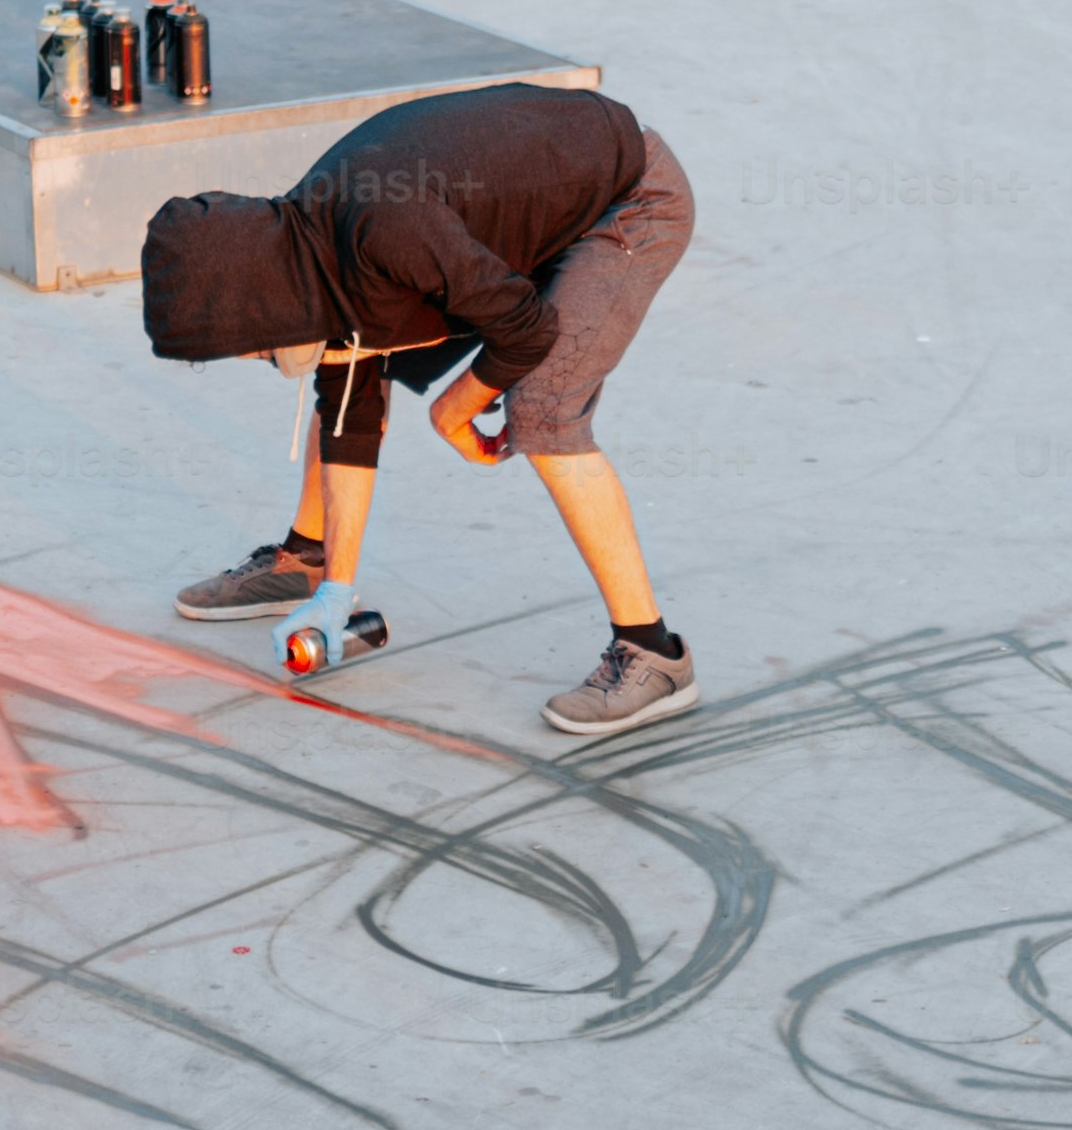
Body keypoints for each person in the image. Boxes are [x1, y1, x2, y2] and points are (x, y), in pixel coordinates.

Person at [134, 81, 700, 742]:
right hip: (509, 209)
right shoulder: (307, 243)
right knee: (349, 364)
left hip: (627, 200)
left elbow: (524, 329)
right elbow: (348, 403)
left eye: (251, 346)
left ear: (256, 300)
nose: (259, 357)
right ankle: (308, 564)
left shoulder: (383, 226)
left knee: (542, 409)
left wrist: (453, 411)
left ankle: (653, 654)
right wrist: (336, 597)